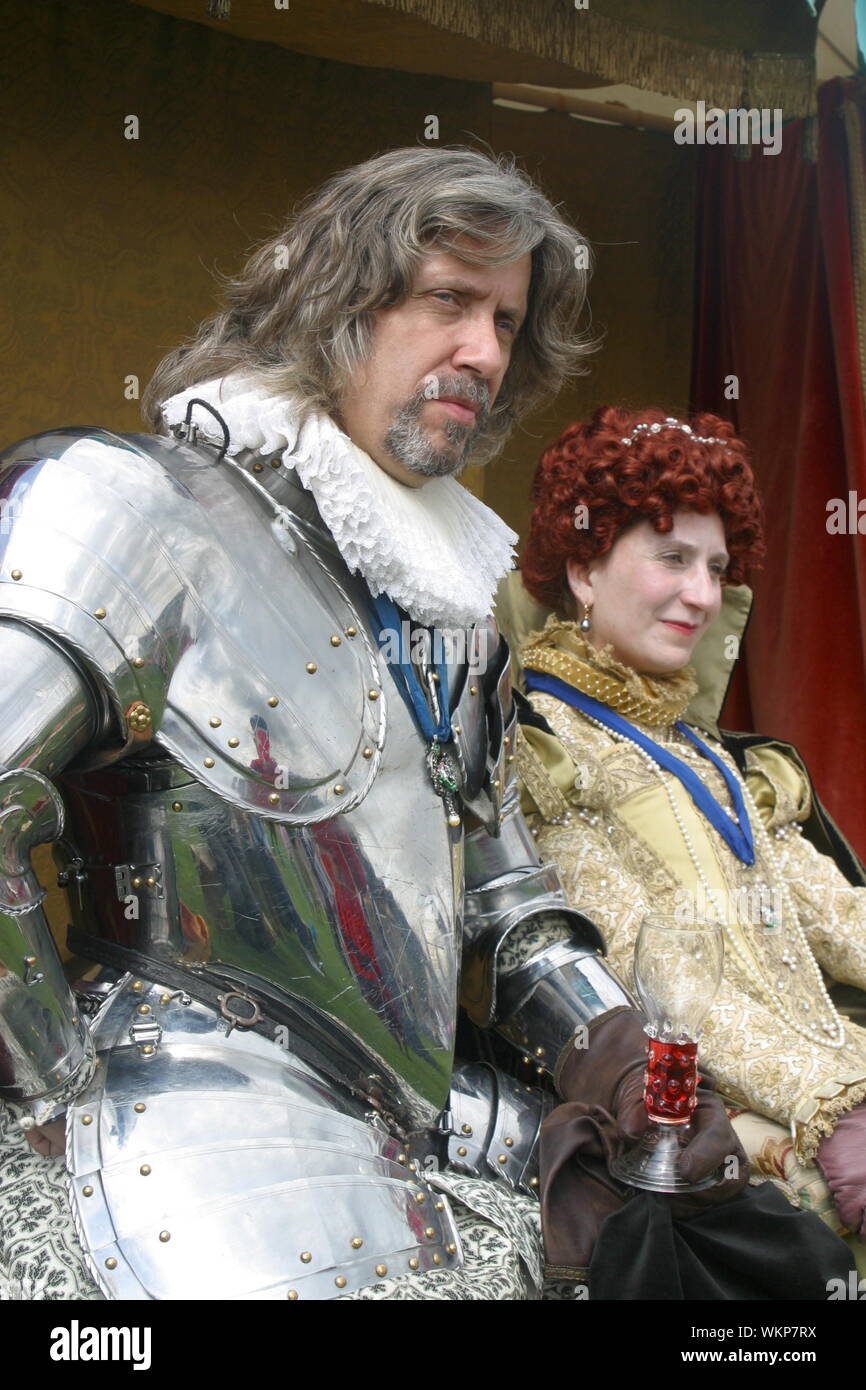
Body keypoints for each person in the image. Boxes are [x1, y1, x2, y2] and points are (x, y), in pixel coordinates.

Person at [0, 148, 749, 1302]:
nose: (486, 353)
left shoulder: (453, 601)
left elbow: (502, 898)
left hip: (415, 1121)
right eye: (449, 298)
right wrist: (50, 1088)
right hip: (175, 1131)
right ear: (334, 300)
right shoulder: (134, 506)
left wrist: (616, 1058)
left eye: (505, 319)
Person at [512, 404, 866, 1273]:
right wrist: (835, 1098)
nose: (703, 594)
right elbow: (646, 973)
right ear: (585, 568)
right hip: (698, 1111)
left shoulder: (706, 754)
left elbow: (839, 916)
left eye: (715, 567)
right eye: (672, 558)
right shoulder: (546, 743)